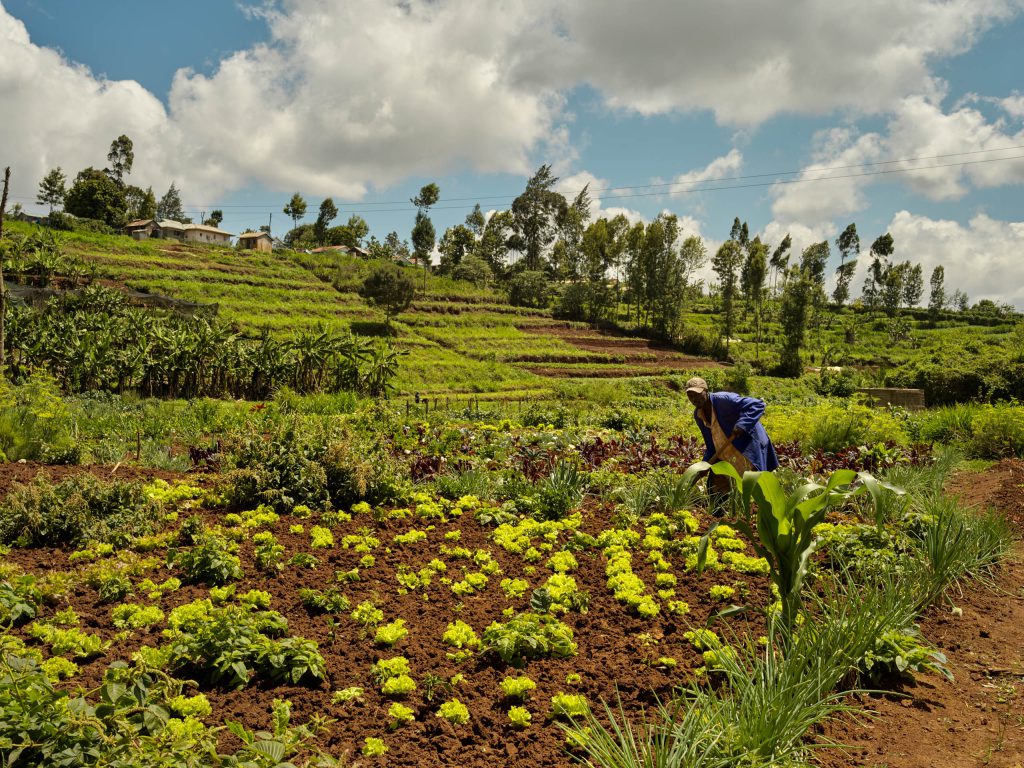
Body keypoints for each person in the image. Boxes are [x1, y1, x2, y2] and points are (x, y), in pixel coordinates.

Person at [685, 376, 778, 507]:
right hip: (727, 450)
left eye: (697, 394)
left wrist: (742, 425)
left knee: (756, 486)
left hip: (747, 445)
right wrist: (705, 465)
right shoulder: (699, 415)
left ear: (706, 391)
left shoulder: (723, 400)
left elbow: (758, 404)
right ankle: (720, 514)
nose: (694, 399)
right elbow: (711, 445)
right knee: (716, 489)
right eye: (691, 396)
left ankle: (760, 510)